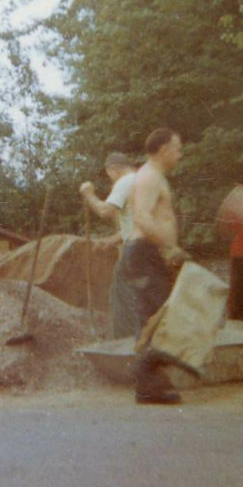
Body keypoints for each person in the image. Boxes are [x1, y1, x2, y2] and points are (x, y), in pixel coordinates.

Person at [125, 128, 190, 404]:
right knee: (155, 318)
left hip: (149, 252)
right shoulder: (149, 178)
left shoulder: (152, 176)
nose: (179, 155)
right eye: (176, 149)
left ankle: (152, 384)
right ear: (163, 150)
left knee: (156, 317)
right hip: (146, 252)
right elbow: (142, 218)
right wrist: (168, 247)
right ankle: (145, 382)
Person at [79, 152, 139, 338]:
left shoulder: (125, 181)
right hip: (145, 245)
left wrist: (89, 196)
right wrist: (112, 240)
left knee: (120, 295)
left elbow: (105, 211)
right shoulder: (142, 181)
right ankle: (140, 337)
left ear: (113, 168)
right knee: (139, 295)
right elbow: (137, 224)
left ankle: (123, 342)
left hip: (135, 249)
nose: (110, 178)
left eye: (109, 173)